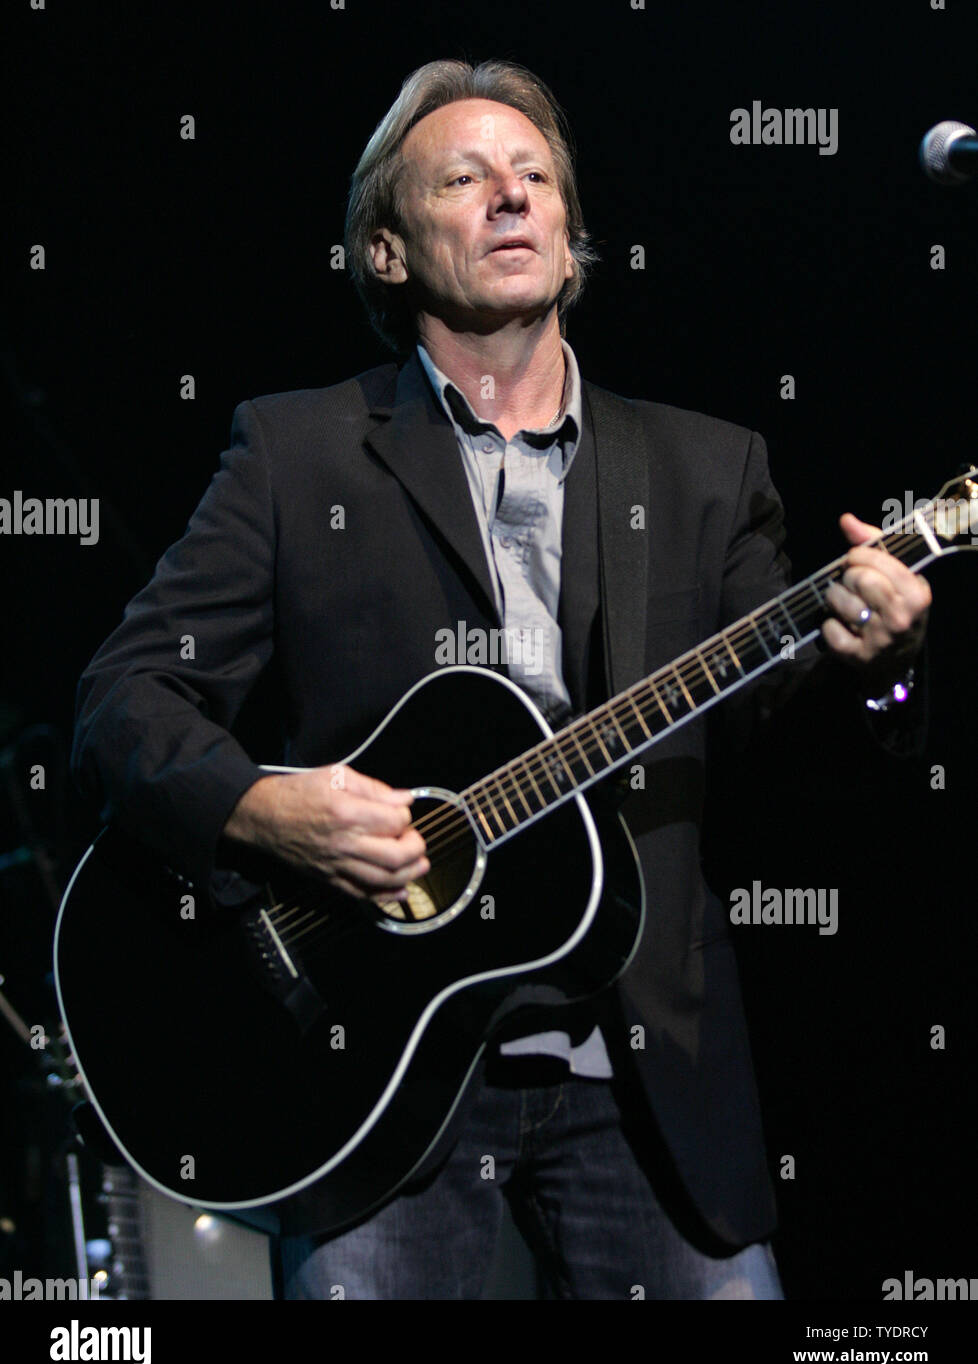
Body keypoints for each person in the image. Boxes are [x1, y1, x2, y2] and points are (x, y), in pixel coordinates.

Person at [71, 59, 931, 1300]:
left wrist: (882, 671)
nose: (512, 198)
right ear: (384, 250)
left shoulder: (705, 467)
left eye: (536, 178)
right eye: (466, 179)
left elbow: (789, 740)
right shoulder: (295, 449)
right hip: (369, 1076)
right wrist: (265, 810)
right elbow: (123, 697)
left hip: (648, 1082)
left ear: (576, 237)